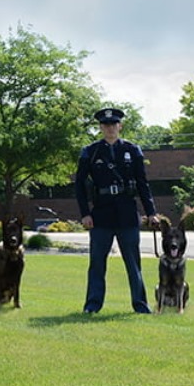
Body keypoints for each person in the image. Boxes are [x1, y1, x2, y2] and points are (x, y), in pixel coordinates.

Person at [74, 107, 159, 314]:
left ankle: (140, 305)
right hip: (101, 214)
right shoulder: (90, 152)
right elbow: (79, 184)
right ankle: (92, 306)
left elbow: (142, 183)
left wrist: (151, 212)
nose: (110, 128)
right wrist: (85, 213)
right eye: (106, 125)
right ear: (101, 127)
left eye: (113, 124)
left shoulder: (132, 150)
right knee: (97, 263)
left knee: (133, 263)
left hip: (127, 212)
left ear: (120, 126)